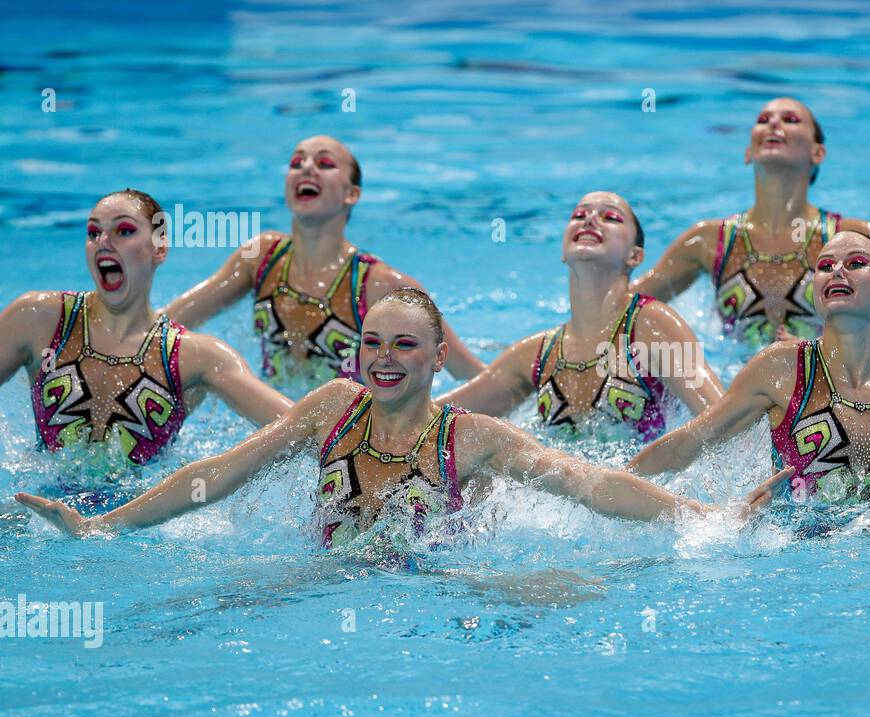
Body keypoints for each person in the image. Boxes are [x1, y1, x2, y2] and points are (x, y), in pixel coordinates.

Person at [17, 290, 786, 543]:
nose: (384, 358)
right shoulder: (331, 409)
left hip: (434, 582)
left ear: (433, 358)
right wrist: (104, 526)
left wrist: (701, 517)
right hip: (325, 579)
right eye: (373, 343)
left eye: (405, 346)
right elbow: (218, 473)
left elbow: (588, 484)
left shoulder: (472, 437)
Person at [629, 231, 870, 504]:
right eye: (825, 266)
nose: (837, 271)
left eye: (856, 263)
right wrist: (610, 484)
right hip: (796, 555)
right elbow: (690, 443)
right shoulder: (782, 367)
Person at [164, 135, 484, 391]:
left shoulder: (381, 286)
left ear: (352, 194)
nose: (306, 168)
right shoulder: (261, 257)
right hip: (271, 419)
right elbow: (169, 325)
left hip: (346, 432)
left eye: (325, 163)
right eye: (297, 162)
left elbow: (471, 375)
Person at [0, 190, 292, 467]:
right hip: (35, 511)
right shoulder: (38, 318)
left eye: (123, 231)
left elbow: (304, 424)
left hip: (140, 518)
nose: (103, 242)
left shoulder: (196, 357)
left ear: (159, 248)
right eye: (93, 233)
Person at [631, 97, 870, 346]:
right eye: (763, 120)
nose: (773, 125)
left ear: (818, 152)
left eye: (790, 120)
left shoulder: (854, 240)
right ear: (748, 153)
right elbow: (625, 308)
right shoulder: (707, 241)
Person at [437, 191, 724, 442]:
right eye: (579, 215)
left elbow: (723, 416)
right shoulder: (538, 354)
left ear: (634, 257)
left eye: (610, 217)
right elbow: (437, 419)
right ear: (563, 252)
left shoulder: (652, 325)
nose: (589, 220)